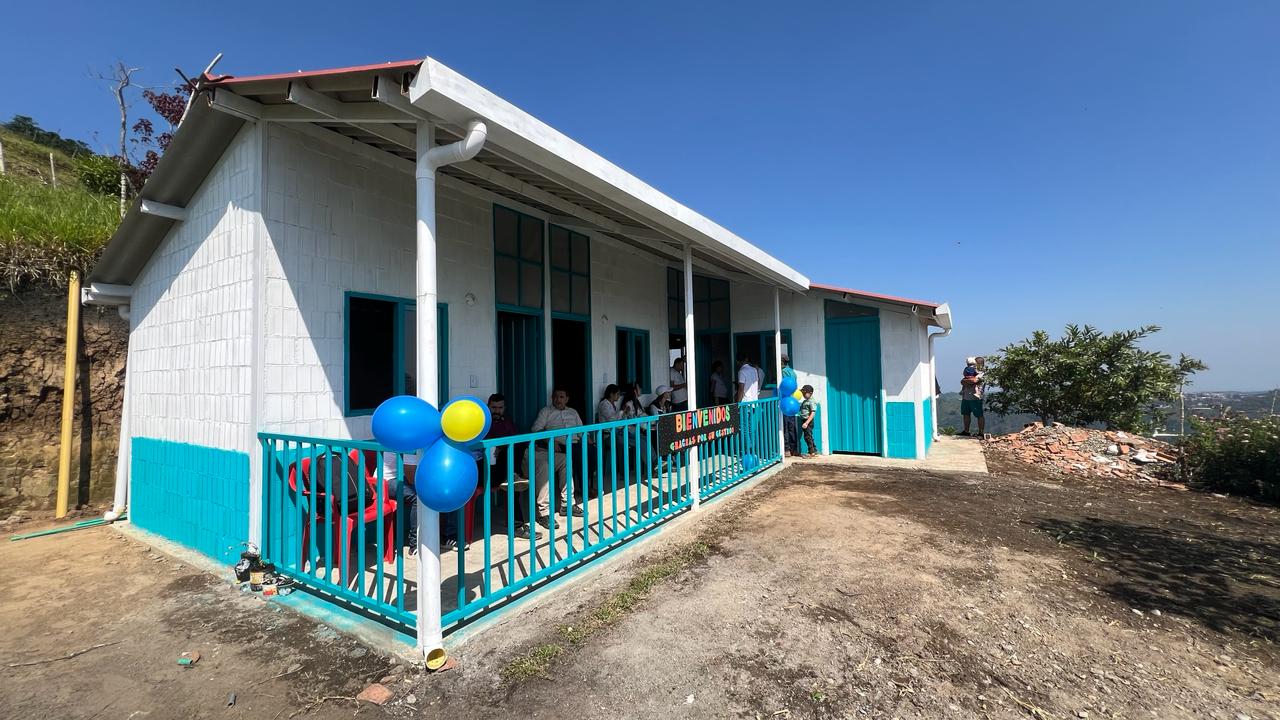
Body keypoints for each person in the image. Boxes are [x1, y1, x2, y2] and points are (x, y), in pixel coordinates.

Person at [484, 393, 540, 539]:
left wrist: (501, 447)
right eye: (493, 407)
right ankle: (517, 526)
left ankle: (513, 475)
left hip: (504, 466)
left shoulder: (507, 422)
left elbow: (514, 443)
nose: (497, 411)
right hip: (487, 470)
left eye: (500, 407)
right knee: (512, 482)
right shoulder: (482, 423)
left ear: (504, 408)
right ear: (488, 407)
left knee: (520, 443)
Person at [531, 388, 585, 525]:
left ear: (567, 399)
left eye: (561, 397)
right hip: (558, 444)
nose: (558, 400)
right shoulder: (546, 411)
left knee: (590, 452)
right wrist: (550, 440)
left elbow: (582, 430)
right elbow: (536, 429)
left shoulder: (573, 412)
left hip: (575, 442)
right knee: (571, 456)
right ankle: (545, 512)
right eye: (555, 397)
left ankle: (571, 501)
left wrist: (589, 441)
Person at [959, 360, 986, 437]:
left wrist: (966, 381)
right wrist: (968, 381)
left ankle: (981, 433)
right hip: (966, 396)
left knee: (979, 415)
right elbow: (963, 381)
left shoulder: (982, 373)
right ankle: (966, 431)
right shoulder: (971, 371)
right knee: (966, 414)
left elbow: (973, 380)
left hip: (976, 398)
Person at [781, 354, 799, 457]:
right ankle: (794, 449)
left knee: (785, 426)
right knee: (792, 426)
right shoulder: (793, 372)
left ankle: (787, 449)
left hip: (786, 401)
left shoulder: (783, 372)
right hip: (793, 401)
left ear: (782, 362)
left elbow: (784, 386)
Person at [798, 384, 819, 458]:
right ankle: (815, 450)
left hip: (808, 421)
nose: (803, 394)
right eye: (802, 393)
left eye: (804, 393)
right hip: (804, 420)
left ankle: (811, 452)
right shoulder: (805, 401)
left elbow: (813, 413)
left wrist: (806, 423)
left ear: (810, 393)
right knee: (809, 436)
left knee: (807, 437)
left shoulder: (811, 401)